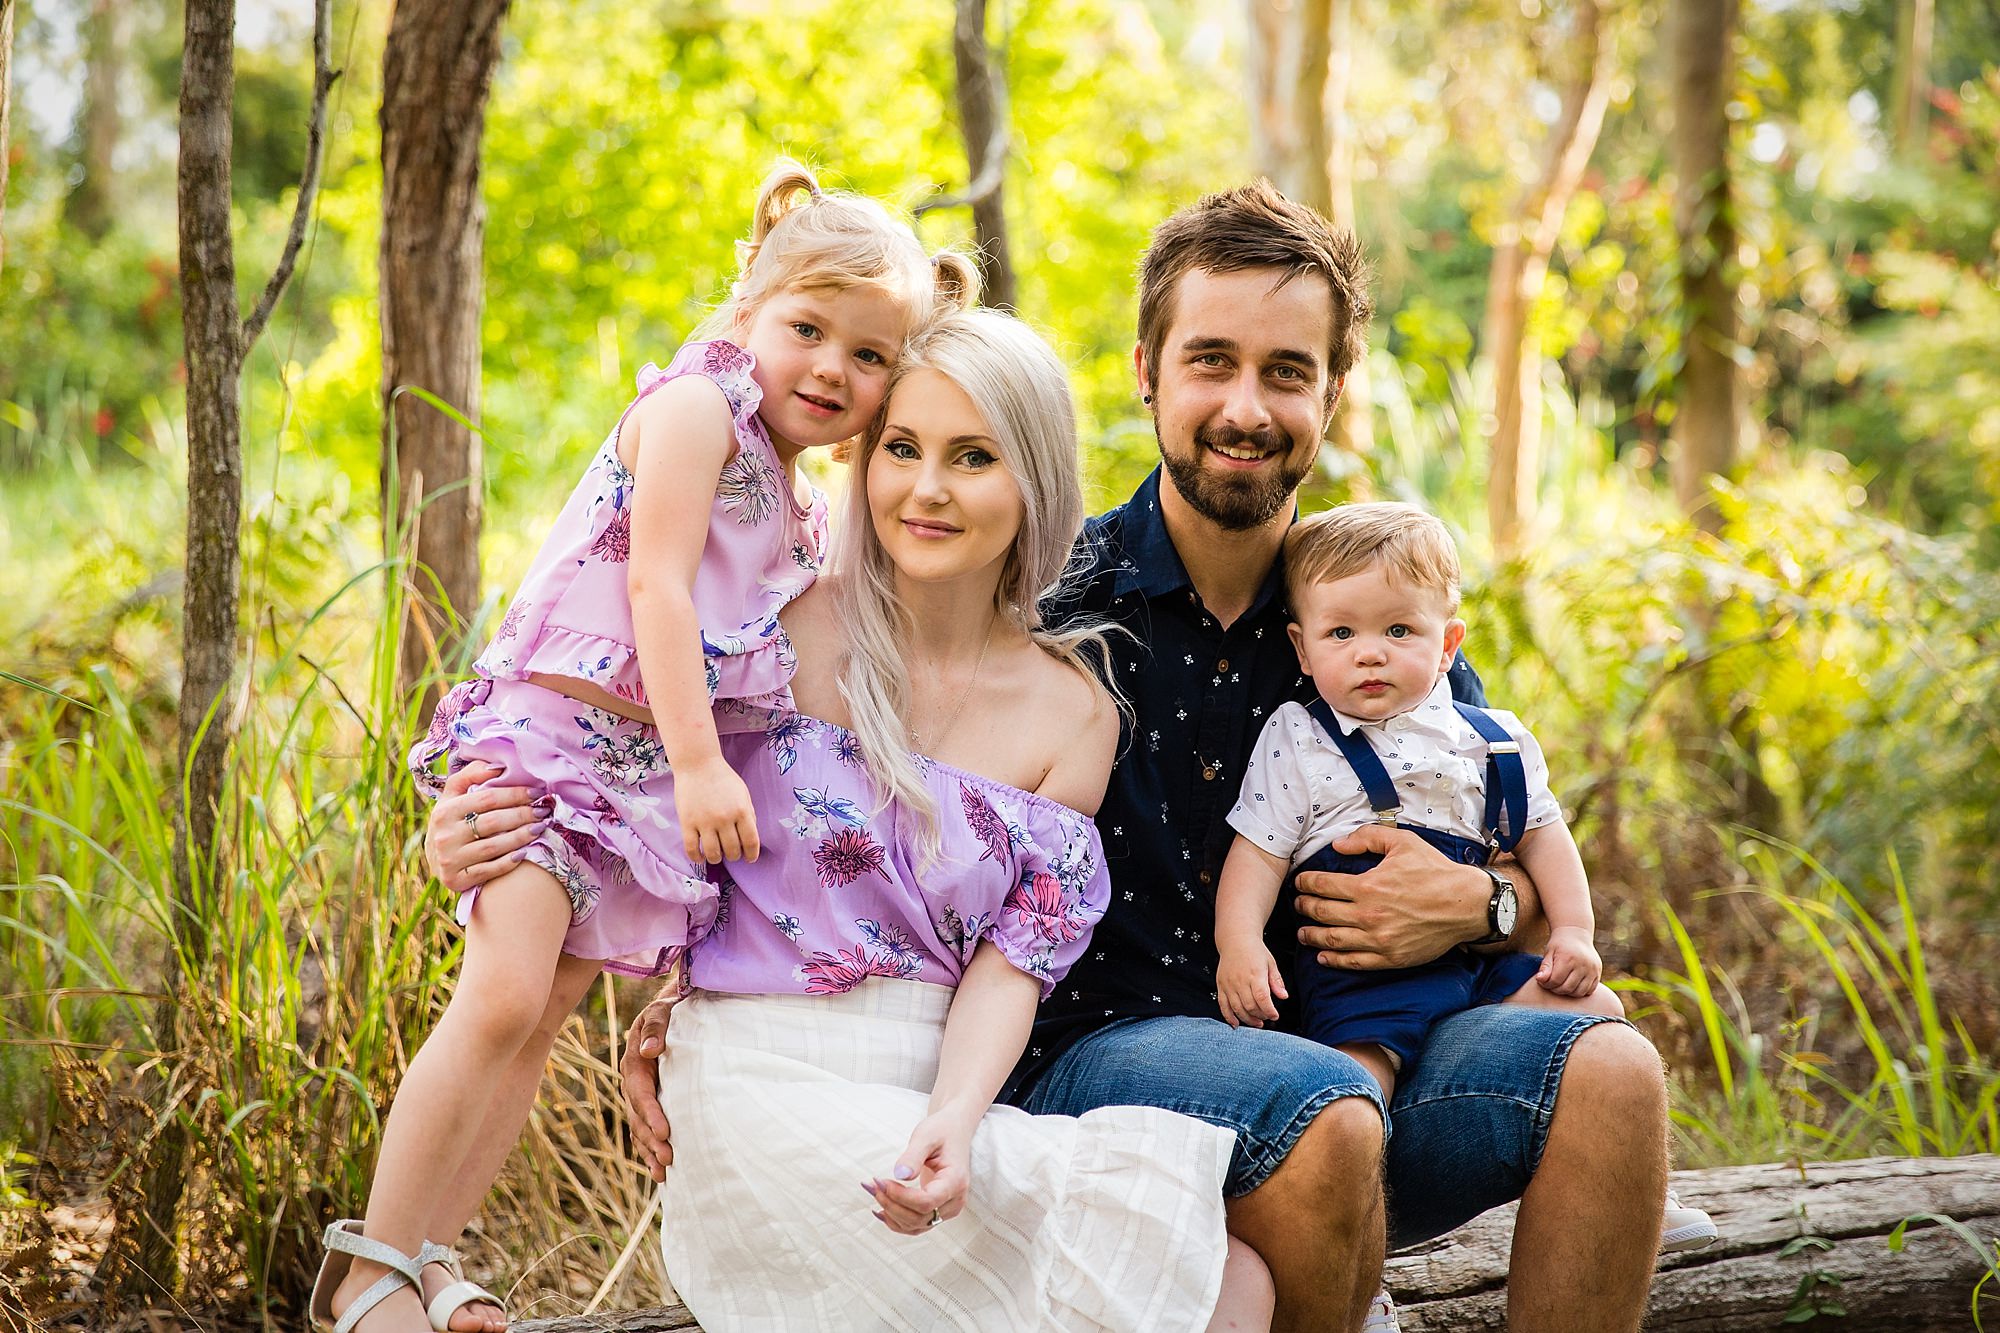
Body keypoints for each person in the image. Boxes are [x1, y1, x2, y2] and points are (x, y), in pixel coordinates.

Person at [447, 181, 1676, 1333]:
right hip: (1105, 1059)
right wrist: (663, 971)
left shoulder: (1364, 608)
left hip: (1360, 1047)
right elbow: (833, 798)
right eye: (1211, 361)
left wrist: (1489, 898)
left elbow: (1506, 847)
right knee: (1319, 1111)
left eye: (1286, 372)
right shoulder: (1046, 600)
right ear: (1146, 372)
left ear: (1332, 392)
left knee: (1610, 1069)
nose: (1246, 406)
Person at [429, 309, 1274, 1333]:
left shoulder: (1076, 711)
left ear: (1034, 482)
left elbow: (1012, 965)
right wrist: (474, 828)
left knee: (1236, 1282)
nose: (925, 489)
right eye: (902, 449)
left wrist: (957, 1121)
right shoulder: (770, 632)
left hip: (933, 1090)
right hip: (754, 1081)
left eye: (972, 457)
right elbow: (605, 774)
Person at [312, 162, 969, 1333]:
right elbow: (655, 587)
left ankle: (433, 1253)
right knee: (503, 992)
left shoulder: (801, 497)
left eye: (868, 357)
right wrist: (703, 767)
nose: (831, 367)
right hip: (560, 742)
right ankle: (365, 1269)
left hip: (644, 777)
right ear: (745, 310)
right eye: (806, 329)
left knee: (546, 1014)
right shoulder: (693, 411)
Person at [1212, 502, 1715, 1256]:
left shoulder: (1495, 739)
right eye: (1341, 633)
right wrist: (1241, 946)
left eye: (1399, 631)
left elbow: (1545, 836)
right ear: (1303, 647)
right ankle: (1356, 1270)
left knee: (1594, 1008)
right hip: (1362, 978)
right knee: (1352, 1104)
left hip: (1471, 966)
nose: (1370, 653)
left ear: (1448, 642)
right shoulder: (1300, 736)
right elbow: (1256, 854)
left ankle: (1637, 1187)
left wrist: (1574, 929)